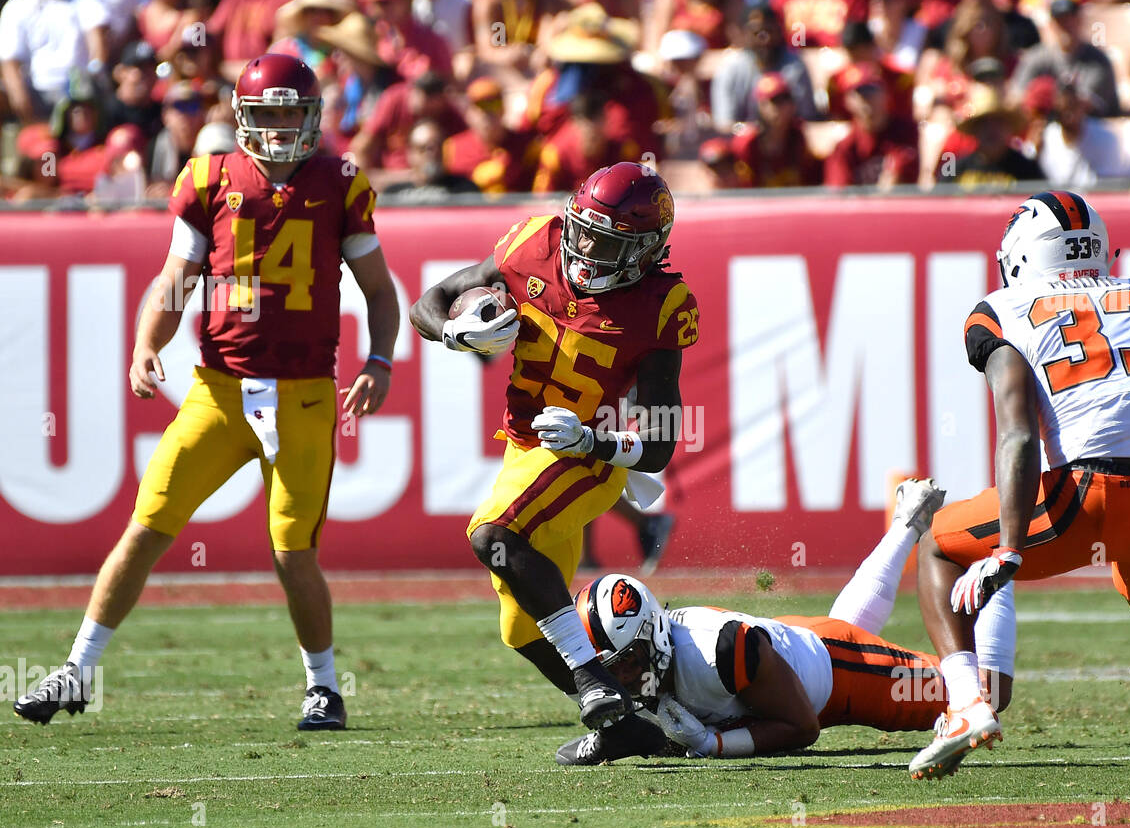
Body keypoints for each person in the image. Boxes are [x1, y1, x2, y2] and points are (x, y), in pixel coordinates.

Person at [14, 54, 400, 732]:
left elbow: (378, 289)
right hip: (219, 393)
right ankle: (76, 671)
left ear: (311, 117)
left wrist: (380, 360)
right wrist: (145, 344)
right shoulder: (208, 178)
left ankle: (324, 688)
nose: (280, 127)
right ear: (243, 117)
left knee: (291, 550)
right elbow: (175, 277)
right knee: (146, 527)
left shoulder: (340, 182)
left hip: (305, 396)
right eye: (268, 113)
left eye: (292, 112)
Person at [908, 190, 1130, 792]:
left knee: (939, 548)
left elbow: (1019, 435)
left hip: (1081, 493)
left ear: (1020, 257)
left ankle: (967, 703)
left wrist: (1006, 546)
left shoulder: (1000, 310)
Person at [408, 161, 700, 738]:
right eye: (583, 228)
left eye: (606, 239)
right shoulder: (533, 243)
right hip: (525, 450)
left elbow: (661, 443)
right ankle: (639, 723)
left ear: (643, 249)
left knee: (492, 534)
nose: (585, 246)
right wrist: (452, 332)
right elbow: (431, 299)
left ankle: (594, 685)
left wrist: (592, 439)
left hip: (590, 458)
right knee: (521, 629)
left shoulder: (662, 304)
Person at [555, 478, 1019, 765]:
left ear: (651, 636)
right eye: (609, 668)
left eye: (627, 662)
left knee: (987, 692)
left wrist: (713, 745)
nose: (620, 678)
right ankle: (908, 524)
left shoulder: (718, 652)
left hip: (836, 676)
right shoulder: (653, 657)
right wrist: (607, 741)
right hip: (794, 650)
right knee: (842, 631)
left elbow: (801, 728)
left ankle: (989, 558)